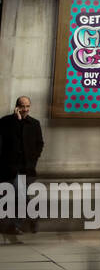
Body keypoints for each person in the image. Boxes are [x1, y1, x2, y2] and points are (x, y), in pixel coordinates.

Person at [0, 96, 43, 237]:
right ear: (17, 107)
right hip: (9, 167)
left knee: (19, 196)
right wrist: (16, 121)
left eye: (27, 106)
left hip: (26, 168)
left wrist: (34, 158)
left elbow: (39, 143)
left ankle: (17, 224)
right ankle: (32, 217)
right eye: (22, 106)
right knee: (16, 196)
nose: (25, 109)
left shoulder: (35, 123)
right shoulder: (6, 122)